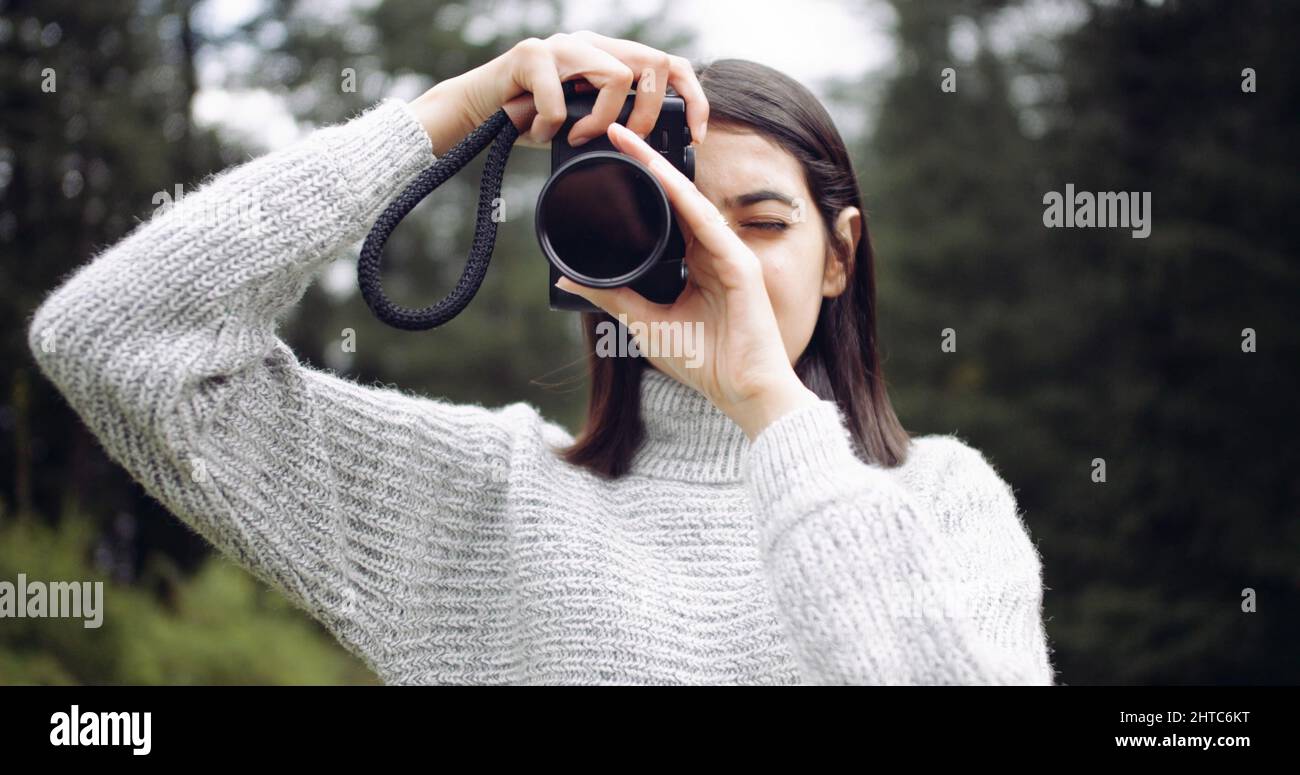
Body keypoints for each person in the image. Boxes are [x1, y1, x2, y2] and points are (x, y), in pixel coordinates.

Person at [27, 31, 1056, 685]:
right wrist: (452, 113)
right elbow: (115, 341)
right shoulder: (497, 496)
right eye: (681, 219)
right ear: (609, 244)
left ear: (839, 257)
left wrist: (771, 413)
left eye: (760, 223)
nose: (719, 259)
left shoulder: (946, 501)